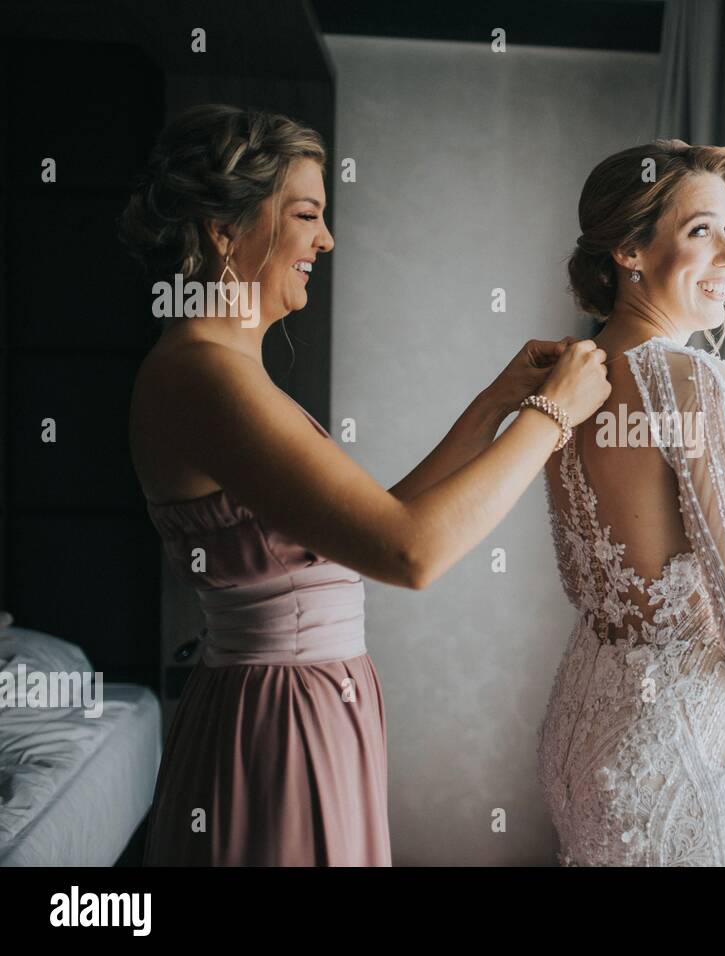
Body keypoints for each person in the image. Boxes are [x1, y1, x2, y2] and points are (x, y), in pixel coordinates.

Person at [123, 104, 610, 865]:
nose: (327, 239)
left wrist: (496, 403)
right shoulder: (205, 377)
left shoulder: (217, 370)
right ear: (224, 229)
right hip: (278, 726)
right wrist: (553, 416)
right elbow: (410, 552)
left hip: (298, 708)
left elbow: (371, 528)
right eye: (308, 214)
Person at [537, 139, 725, 866]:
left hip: (581, 731)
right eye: (700, 230)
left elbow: (587, 579)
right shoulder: (693, 381)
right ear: (628, 249)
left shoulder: (569, 374)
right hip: (685, 749)